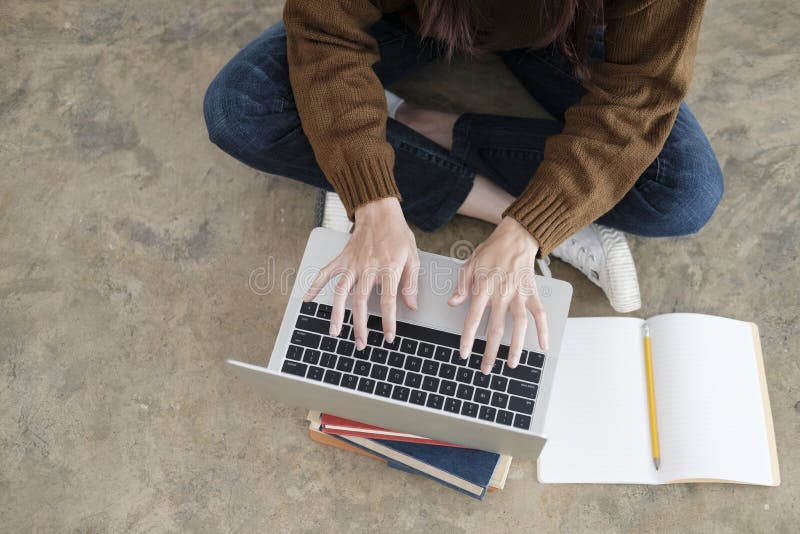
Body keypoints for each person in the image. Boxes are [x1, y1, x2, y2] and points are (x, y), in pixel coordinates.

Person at [203, 0, 723, 374]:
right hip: (414, 14)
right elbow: (326, 30)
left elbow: (639, 95)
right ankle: (400, 154)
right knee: (241, 109)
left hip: (566, 24)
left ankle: (420, 131)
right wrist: (375, 203)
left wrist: (529, 231)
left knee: (682, 192)